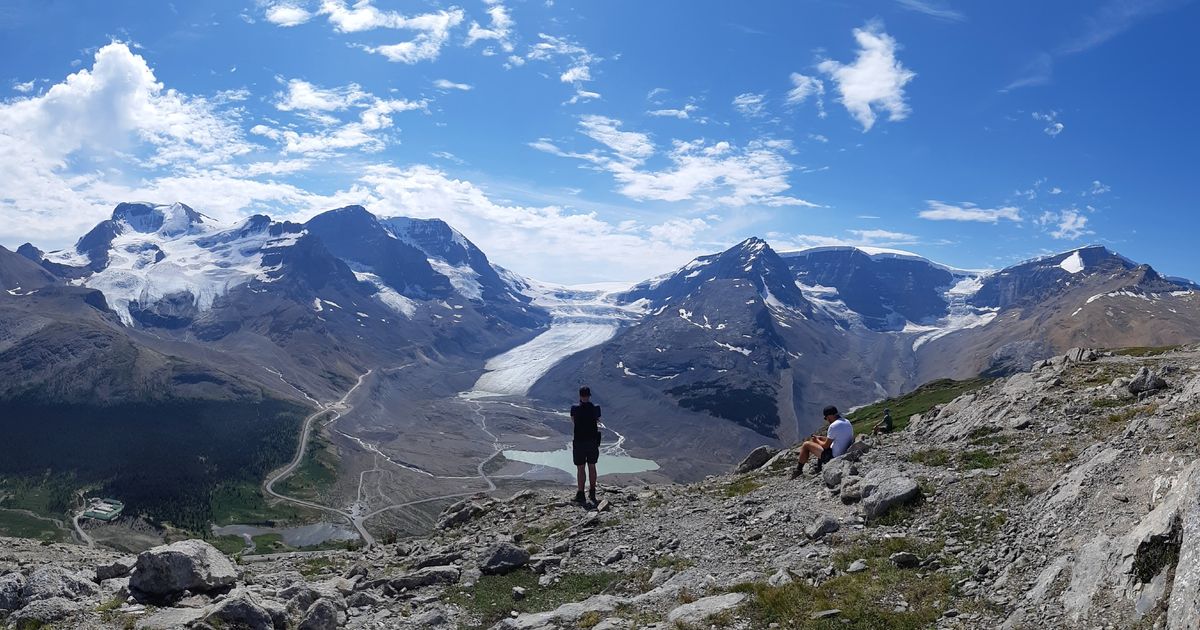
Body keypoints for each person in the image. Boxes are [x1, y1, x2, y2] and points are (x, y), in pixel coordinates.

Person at [791, 405, 855, 478]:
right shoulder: (847, 421)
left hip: (834, 456)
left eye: (826, 418)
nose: (827, 420)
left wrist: (817, 440)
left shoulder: (833, 426)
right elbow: (837, 438)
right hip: (844, 452)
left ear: (829, 416)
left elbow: (825, 446)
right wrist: (821, 438)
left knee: (806, 445)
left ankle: (798, 470)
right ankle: (819, 467)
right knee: (820, 441)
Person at [570, 386, 602, 505]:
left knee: (580, 468)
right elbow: (598, 420)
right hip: (592, 441)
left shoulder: (574, 409)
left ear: (580, 396)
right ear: (589, 396)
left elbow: (573, 421)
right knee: (592, 466)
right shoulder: (596, 408)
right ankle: (592, 492)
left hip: (579, 441)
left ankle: (580, 494)